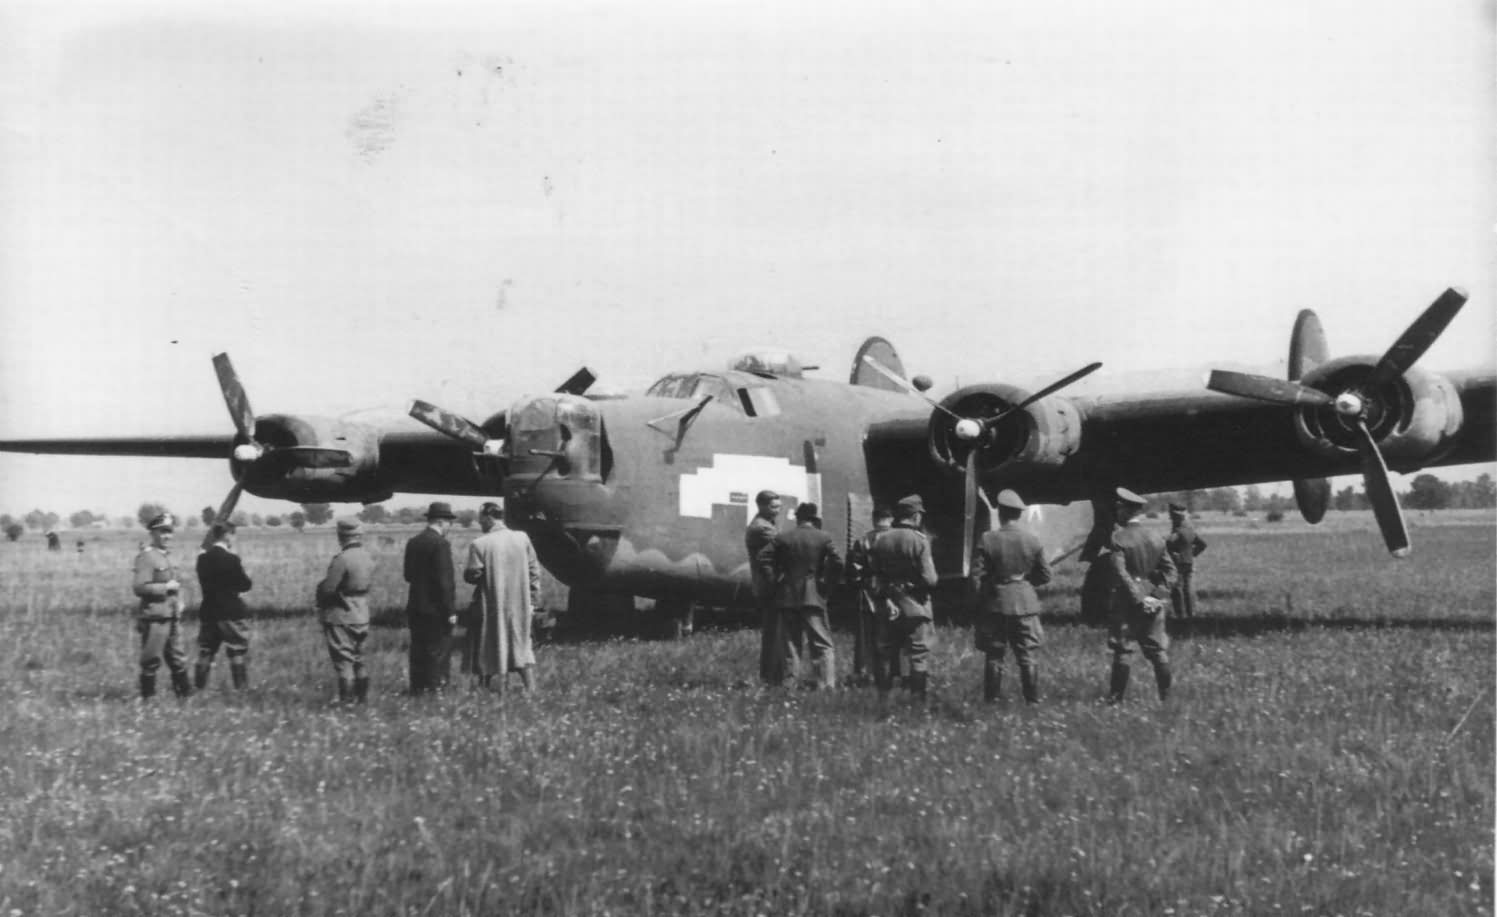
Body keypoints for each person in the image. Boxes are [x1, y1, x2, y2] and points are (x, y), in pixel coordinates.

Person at [969, 489, 1052, 704]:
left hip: (996, 603)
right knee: (1027, 656)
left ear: (1001, 512)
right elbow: (1045, 575)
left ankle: (992, 702)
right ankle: (1032, 702)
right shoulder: (1032, 540)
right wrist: (1023, 582)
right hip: (1025, 603)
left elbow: (976, 575)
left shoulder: (988, 539)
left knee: (995, 655)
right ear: (1019, 514)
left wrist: (983, 597)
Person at [1103, 487, 1178, 703]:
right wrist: (1156, 596)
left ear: (1127, 511)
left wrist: (1137, 597)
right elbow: (1171, 571)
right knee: (1157, 650)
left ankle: (1115, 701)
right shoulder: (1156, 537)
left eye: (1119, 508)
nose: (1117, 512)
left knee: (1123, 649)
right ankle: (1166, 699)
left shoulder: (1118, 537)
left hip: (1126, 601)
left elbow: (1120, 571)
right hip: (1152, 600)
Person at [462, 501, 542, 694]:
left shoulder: (479, 544)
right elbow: (534, 571)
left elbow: (473, 575)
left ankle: (483, 686)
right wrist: (532, 600)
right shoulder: (522, 538)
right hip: (520, 604)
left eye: (481, 519)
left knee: (487, 642)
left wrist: (470, 573)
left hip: (491, 603)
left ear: (488, 518)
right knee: (521, 643)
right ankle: (530, 688)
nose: (479, 523)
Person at [869, 495, 939, 704]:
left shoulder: (881, 540)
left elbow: (875, 576)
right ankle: (917, 701)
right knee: (918, 653)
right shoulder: (919, 541)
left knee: (886, 652)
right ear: (916, 516)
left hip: (889, 605)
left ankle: (883, 700)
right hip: (915, 606)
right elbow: (931, 579)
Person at [765, 502, 843, 689]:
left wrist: (775, 581)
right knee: (822, 644)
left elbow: (763, 559)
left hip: (787, 595)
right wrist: (827, 584)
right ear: (814, 518)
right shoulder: (824, 537)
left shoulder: (783, 538)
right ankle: (825, 686)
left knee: (790, 643)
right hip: (814, 595)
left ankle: (789, 684)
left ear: (798, 518)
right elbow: (838, 562)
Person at [316, 517, 377, 703]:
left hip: (341, 615)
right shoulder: (367, 557)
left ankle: (347, 704)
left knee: (344, 662)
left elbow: (328, 589)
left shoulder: (341, 559)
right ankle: (362, 700)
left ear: (341, 536)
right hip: (362, 613)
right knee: (360, 659)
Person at [132, 513, 192, 700]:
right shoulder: (147, 557)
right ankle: (147, 702)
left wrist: (180, 600)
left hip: (172, 615)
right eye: (163, 532)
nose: (167, 536)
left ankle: (185, 699)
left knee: (178, 658)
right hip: (155, 617)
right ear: (153, 533)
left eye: (170, 532)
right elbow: (139, 587)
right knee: (151, 660)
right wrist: (164, 587)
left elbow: (177, 583)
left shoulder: (168, 557)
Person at [404, 501, 458, 695]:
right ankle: (436, 691)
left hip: (416, 606)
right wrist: (450, 610)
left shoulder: (413, 541)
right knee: (438, 651)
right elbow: (445, 582)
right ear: (442, 522)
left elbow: (408, 575)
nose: (450, 527)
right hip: (436, 609)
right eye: (449, 522)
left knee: (418, 650)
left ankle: (417, 689)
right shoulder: (441, 544)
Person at [193, 521, 253, 691]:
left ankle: (199, 689)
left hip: (209, 612)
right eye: (234, 535)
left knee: (206, 651)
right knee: (236, 651)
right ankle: (241, 690)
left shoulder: (202, 559)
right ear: (227, 535)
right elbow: (245, 585)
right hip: (231, 612)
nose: (234, 539)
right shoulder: (232, 559)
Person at [845, 505, 893, 684]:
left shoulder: (863, 540)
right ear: (891, 519)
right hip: (895, 592)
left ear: (873, 520)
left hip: (868, 592)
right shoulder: (897, 537)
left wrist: (860, 583)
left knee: (866, 635)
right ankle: (893, 673)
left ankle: (867, 672)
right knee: (892, 633)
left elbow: (853, 569)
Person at [745, 489, 784, 685]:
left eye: (779, 506)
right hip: (770, 586)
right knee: (774, 633)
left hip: (768, 585)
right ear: (761, 506)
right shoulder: (762, 528)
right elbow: (784, 546)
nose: (778, 510)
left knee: (773, 632)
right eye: (774, 507)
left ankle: (770, 675)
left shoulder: (766, 524)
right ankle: (771, 677)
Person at [1165, 502, 1208, 619]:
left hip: (1177, 563)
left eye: (1172, 516)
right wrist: (1192, 554)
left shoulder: (1177, 531)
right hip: (1189, 562)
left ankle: (1180, 614)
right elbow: (1203, 544)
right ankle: (1190, 613)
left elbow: (1169, 543)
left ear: (1176, 517)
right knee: (1188, 588)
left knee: (1177, 588)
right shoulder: (1190, 530)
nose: (1170, 518)